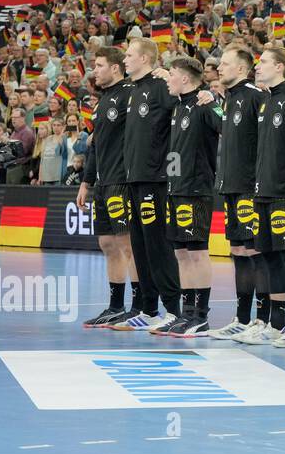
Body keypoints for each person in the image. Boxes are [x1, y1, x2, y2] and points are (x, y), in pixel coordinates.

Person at [235, 46, 285, 346]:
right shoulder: (266, 100)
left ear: (280, 66)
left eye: (264, 62)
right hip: (263, 191)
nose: (258, 66)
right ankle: (276, 323)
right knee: (268, 257)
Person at [118, 38, 183, 331]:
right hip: (133, 178)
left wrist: (173, 172)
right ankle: (148, 308)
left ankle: (172, 309)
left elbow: (184, 110)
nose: (125, 60)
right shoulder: (134, 91)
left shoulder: (160, 86)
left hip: (155, 180)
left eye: (130, 55)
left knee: (157, 245)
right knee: (139, 245)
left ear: (145, 59)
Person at [208, 45, 270, 341]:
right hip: (231, 187)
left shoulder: (257, 97)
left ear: (242, 69)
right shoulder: (229, 99)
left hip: (250, 188)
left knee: (256, 251)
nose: (219, 68)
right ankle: (243, 318)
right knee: (238, 251)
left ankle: (264, 319)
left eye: (225, 64)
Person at [158, 56, 222, 337]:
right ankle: (185, 313)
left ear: (185, 79)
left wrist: (215, 97)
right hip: (175, 189)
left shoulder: (203, 104)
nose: (168, 79)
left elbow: (226, 124)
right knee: (180, 253)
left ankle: (201, 315)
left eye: (172, 74)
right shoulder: (179, 106)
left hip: (196, 189)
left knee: (197, 252)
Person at [78, 46, 137, 329]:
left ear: (115, 68)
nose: (94, 70)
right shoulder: (102, 101)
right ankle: (115, 306)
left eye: (99, 65)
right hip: (102, 181)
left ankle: (139, 307)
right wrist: (87, 181)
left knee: (127, 243)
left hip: (122, 180)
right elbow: (96, 145)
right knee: (107, 243)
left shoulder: (130, 93)